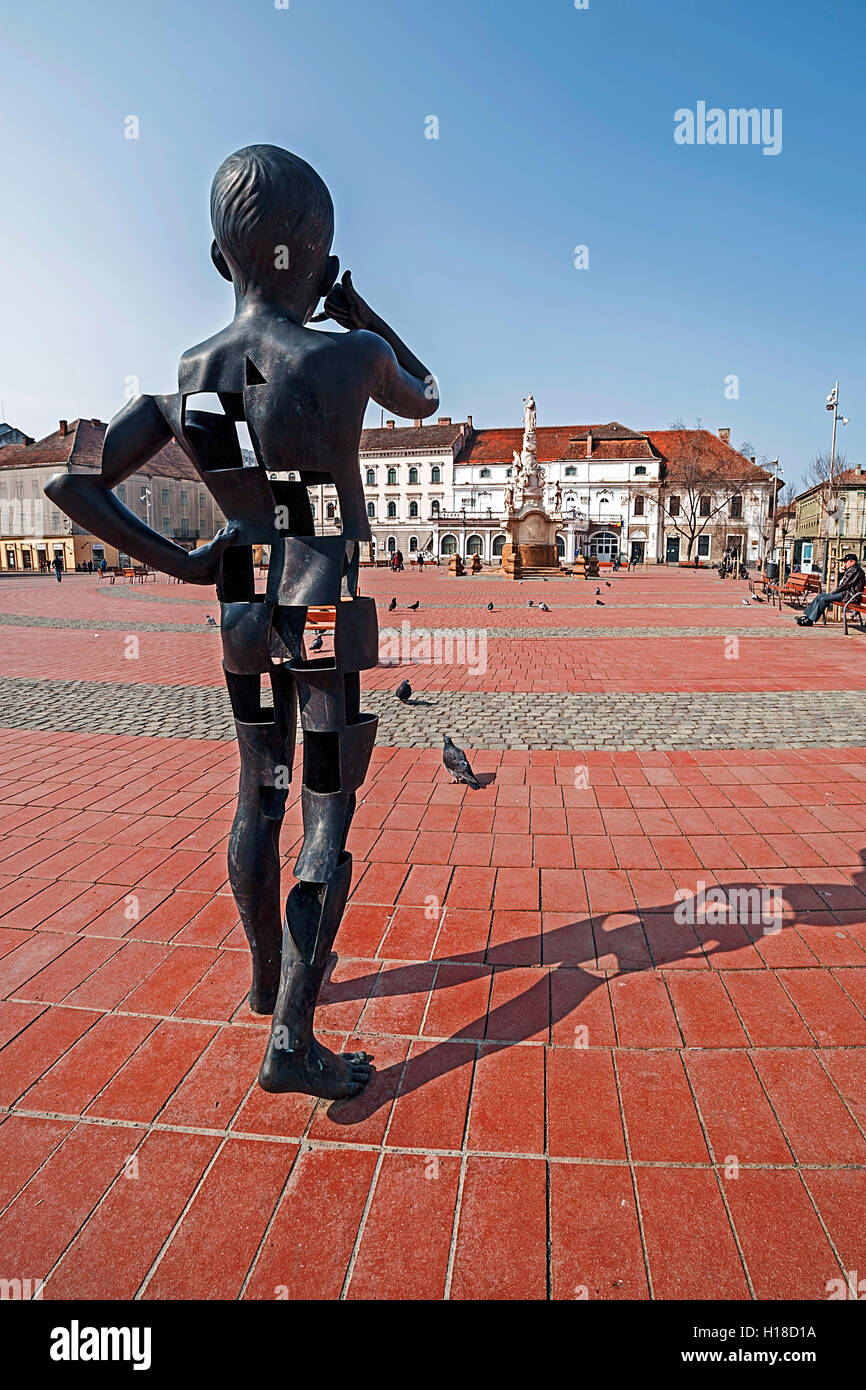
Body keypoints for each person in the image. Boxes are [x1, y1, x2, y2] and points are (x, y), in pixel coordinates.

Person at [45, 143, 439, 1100]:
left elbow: (74, 482)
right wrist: (366, 312)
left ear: (220, 260)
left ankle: (267, 981)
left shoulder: (191, 377)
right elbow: (427, 395)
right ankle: (293, 1044)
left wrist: (183, 561)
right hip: (322, 599)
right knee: (326, 807)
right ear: (316, 252)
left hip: (241, 601)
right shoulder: (349, 356)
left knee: (255, 790)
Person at [797, 552, 865, 627]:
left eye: (846, 562)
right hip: (846, 594)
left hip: (850, 596)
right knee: (820, 596)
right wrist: (841, 573)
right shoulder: (852, 570)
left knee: (823, 599)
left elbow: (845, 585)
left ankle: (810, 620)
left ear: (853, 561)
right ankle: (808, 617)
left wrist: (834, 592)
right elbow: (842, 582)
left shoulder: (854, 570)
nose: (844, 564)